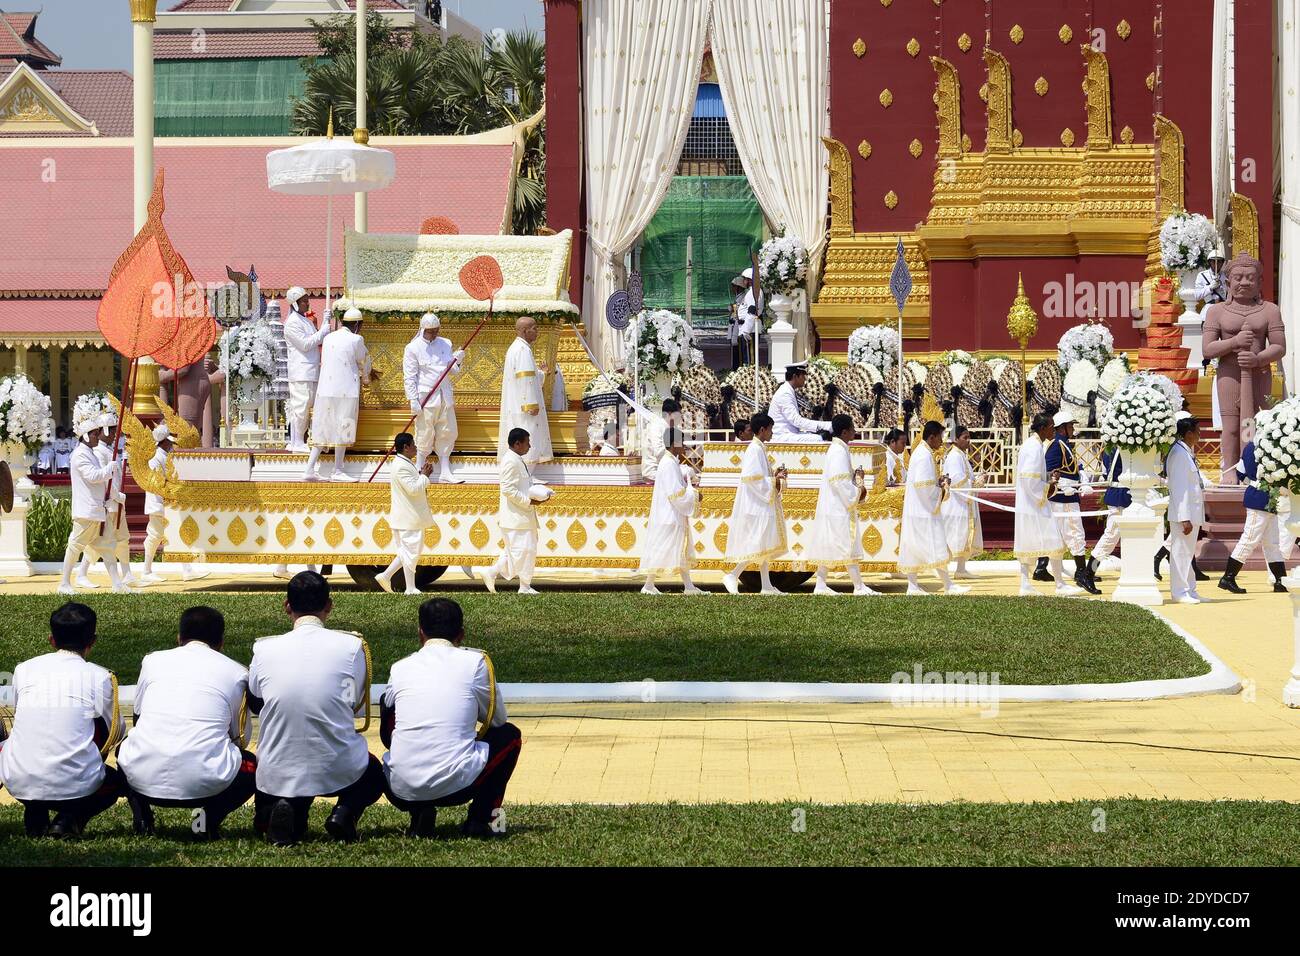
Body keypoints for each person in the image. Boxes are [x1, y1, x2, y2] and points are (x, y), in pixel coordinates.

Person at [248, 572, 385, 845]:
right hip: (338, 765)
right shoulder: (352, 646)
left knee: (281, 799)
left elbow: (255, 699)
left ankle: (285, 807)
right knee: (373, 774)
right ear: (329, 606)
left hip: (277, 766)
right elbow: (352, 699)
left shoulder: (264, 649)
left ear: (287, 606)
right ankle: (343, 813)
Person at [380, 598, 520, 839]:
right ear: (461, 634)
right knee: (510, 736)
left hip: (400, 789)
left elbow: (387, 730)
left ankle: (420, 810)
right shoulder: (476, 662)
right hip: (458, 787)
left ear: (420, 633)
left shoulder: (399, 667)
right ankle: (482, 819)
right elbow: (497, 720)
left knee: (391, 710)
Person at [117, 606, 255, 841]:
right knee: (252, 766)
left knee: (124, 747)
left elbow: (138, 718)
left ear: (179, 638)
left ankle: (141, 817)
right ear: (221, 643)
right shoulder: (237, 672)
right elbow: (239, 736)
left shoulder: (152, 661)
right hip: (208, 783)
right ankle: (205, 821)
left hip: (143, 776)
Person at [0, 603, 127, 839]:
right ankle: (69, 819)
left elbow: (23, 718)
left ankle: (35, 811)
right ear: (93, 640)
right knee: (115, 782)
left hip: (18, 779)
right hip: (76, 785)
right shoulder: (100, 677)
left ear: (51, 640)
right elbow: (116, 731)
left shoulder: (24, 669)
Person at [1202, 253, 1287, 481]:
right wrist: (1234, 342)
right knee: (1230, 427)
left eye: (1250, 278)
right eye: (1238, 278)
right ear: (1228, 283)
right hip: (1229, 373)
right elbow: (1208, 349)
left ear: (1260, 282)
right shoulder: (1216, 311)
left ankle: (1252, 469)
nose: (1244, 283)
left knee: (1253, 423)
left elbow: (1279, 347)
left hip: (1259, 373)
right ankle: (1229, 472)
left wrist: (1258, 359)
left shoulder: (1269, 310)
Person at [806, 414, 877, 596]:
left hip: (837, 505)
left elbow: (843, 478)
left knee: (835, 544)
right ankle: (858, 586)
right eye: (853, 428)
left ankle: (821, 584)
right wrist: (858, 490)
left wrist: (855, 476)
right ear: (845, 432)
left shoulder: (840, 448)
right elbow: (840, 482)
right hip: (839, 506)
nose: (855, 431)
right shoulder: (838, 451)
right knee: (847, 544)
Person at [1015, 413, 1083, 597]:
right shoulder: (1034, 447)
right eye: (1052, 426)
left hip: (1033, 502)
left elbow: (1033, 476)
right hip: (1036, 503)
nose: (1054, 430)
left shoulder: (1033, 444)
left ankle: (1029, 584)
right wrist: (1049, 486)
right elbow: (1029, 480)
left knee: (1033, 543)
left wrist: (1048, 478)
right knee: (1054, 542)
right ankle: (1058, 585)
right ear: (1043, 428)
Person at [303, 307, 375, 482]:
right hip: (346, 390)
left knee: (322, 428)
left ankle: (309, 469)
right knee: (345, 427)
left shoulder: (328, 337)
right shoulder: (357, 339)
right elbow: (363, 360)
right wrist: (366, 378)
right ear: (358, 325)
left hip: (325, 389)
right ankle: (337, 470)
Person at [58, 417, 127, 595]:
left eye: (98, 433)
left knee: (107, 548)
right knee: (75, 546)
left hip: (97, 510)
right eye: (95, 434)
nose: (98, 437)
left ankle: (117, 585)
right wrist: (109, 469)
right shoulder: (80, 454)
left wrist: (115, 495)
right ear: (86, 436)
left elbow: (102, 483)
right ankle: (64, 583)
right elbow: (93, 476)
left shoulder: (90, 453)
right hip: (86, 511)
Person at [898, 420, 967, 596]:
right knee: (933, 545)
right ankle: (935, 586)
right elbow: (924, 487)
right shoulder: (923, 455)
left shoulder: (924, 453)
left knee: (927, 546)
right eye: (940, 437)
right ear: (932, 437)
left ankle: (929, 585)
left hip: (922, 509)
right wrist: (942, 489)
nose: (942, 442)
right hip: (924, 510)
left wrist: (939, 484)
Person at [1219, 418, 1288, 593]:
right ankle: (1228, 578)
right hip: (1259, 499)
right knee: (1249, 539)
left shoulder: (1253, 446)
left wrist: (1255, 483)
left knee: (1272, 543)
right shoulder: (1259, 447)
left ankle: (1280, 580)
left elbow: (1241, 473)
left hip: (1267, 498)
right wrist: (1259, 484)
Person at [722, 412, 787, 595]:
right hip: (756, 505)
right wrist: (773, 481)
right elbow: (752, 479)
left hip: (762, 503)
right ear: (762, 430)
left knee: (764, 545)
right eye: (771, 430)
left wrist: (775, 477)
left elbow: (761, 477)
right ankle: (733, 575)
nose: (772, 433)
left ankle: (766, 585)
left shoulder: (760, 448)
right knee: (758, 544)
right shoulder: (755, 449)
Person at [482, 428, 553, 595]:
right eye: (527, 442)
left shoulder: (517, 460)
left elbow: (521, 485)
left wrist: (539, 492)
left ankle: (521, 584)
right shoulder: (510, 461)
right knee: (522, 552)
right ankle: (498, 574)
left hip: (522, 516)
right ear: (517, 443)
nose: (530, 446)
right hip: (516, 517)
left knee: (523, 551)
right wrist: (529, 501)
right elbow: (507, 489)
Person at [639, 426, 707, 595]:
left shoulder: (670, 462)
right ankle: (648, 585)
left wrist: (691, 492)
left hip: (672, 513)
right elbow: (676, 493)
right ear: (674, 443)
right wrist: (694, 495)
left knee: (679, 549)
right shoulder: (668, 463)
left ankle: (688, 586)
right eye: (681, 442)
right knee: (664, 548)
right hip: (669, 514)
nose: (684, 446)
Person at [140, 423, 208, 585]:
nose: (171, 444)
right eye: (169, 442)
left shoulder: (166, 456)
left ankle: (187, 570)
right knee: (155, 536)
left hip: (168, 504)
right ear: (163, 442)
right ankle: (146, 571)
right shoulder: (155, 459)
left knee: (177, 535)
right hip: (159, 504)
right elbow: (158, 484)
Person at [403, 312, 465, 483]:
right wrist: (413, 400)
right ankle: (419, 469)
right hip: (426, 396)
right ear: (423, 329)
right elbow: (410, 376)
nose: (433, 334)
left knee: (447, 431)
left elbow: (452, 371)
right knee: (424, 432)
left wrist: (457, 360)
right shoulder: (412, 348)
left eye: (436, 331)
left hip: (444, 394)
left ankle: (445, 471)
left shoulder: (445, 343)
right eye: (430, 331)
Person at [1044, 410, 1100, 594]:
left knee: (1073, 533)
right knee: (1074, 534)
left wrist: (1081, 477)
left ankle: (1078, 571)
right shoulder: (1056, 446)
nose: (1073, 428)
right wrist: (1063, 485)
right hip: (1062, 497)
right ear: (1062, 428)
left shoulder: (1064, 444)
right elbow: (1050, 470)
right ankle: (1081, 573)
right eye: (1070, 426)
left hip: (1070, 495)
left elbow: (1072, 467)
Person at [376, 432, 435, 596]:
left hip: (407, 517)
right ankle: (395, 579)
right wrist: (424, 475)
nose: (416, 447)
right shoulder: (401, 466)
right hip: (407, 517)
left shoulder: (404, 463)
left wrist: (422, 475)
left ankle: (395, 580)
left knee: (407, 552)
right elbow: (414, 489)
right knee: (411, 552)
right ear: (406, 447)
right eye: (413, 444)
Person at [282, 286, 330, 453]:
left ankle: (312, 439)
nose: (307, 304)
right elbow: (306, 344)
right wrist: (323, 330)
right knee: (300, 408)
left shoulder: (306, 321)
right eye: (304, 302)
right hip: (301, 372)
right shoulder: (291, 323)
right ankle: (296, 441)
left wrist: (324, 323)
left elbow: (317, 338)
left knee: (313, 407)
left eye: (307, 301)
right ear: (295, 303)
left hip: (312, 371)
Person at [498, 316, 553, 465]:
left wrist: (542, 374)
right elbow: (525, 379)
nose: (537, 332)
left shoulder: (516, 348)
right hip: (525, 407)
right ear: (524, 331)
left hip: (517, 403)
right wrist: (531, 404)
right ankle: (527, 471)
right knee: (528, 436)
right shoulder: (522, 349)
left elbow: (528, 375)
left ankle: (526, 473)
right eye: (534, 328)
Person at [1166, 416, 1206, 604]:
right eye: (1197, 431)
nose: (1199, 435)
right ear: (1188, 433)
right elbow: (1179, 488)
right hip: (1185, 514)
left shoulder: (1186, 452)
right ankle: (1179, 592)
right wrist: (1184, 518)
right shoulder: (1179, 454)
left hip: (1192, 511)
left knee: (1187, 553)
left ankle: (1190, 589)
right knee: (1181, 553)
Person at [941, 424, 984, 578]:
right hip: (956, 503)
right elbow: (957, 479)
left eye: (968, 437)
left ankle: (961, 569)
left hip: (963, 502)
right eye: (965, 437)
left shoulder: (960, 455)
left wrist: (976, 479)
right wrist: (975, 483)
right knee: (954, 535)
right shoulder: (954, 456)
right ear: (956, 439)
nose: (968, 441)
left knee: (962, 535)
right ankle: (944, 569)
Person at [1087, 445, 1129, 576]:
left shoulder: (1109, 449)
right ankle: (1089, 572)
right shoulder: (1122, 449)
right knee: (1111, 537)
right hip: (1120, 496)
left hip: (1118, 494)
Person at [768, 363, 830, 442]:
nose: (805, 379)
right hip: (782, 436)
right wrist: (825, 426)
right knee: (819, 438)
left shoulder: (788, 390)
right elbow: (796, 420)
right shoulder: (784, 393)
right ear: (795, 376)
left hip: (790, 433)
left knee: (814, 436)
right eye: (803, 376)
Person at [639, 398, 681, 481]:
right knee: (687, 472)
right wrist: (674, 447)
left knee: (689, 471)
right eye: (678, 413)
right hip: (653, 471)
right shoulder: (656, 426)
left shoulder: (670, 427)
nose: (680, 416)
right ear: (670, 413)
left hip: (667, 468)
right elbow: (658, 452)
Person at [737, 267, 757, 367]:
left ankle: (749, 379)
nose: (743, 281)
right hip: (745, 327)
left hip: (750, 329)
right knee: (744, 358)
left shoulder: (754, 292)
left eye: (745, 278)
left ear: (749, 279)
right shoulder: (750, 292)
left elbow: (752, 311)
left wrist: (746, 330)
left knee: (749, 359)